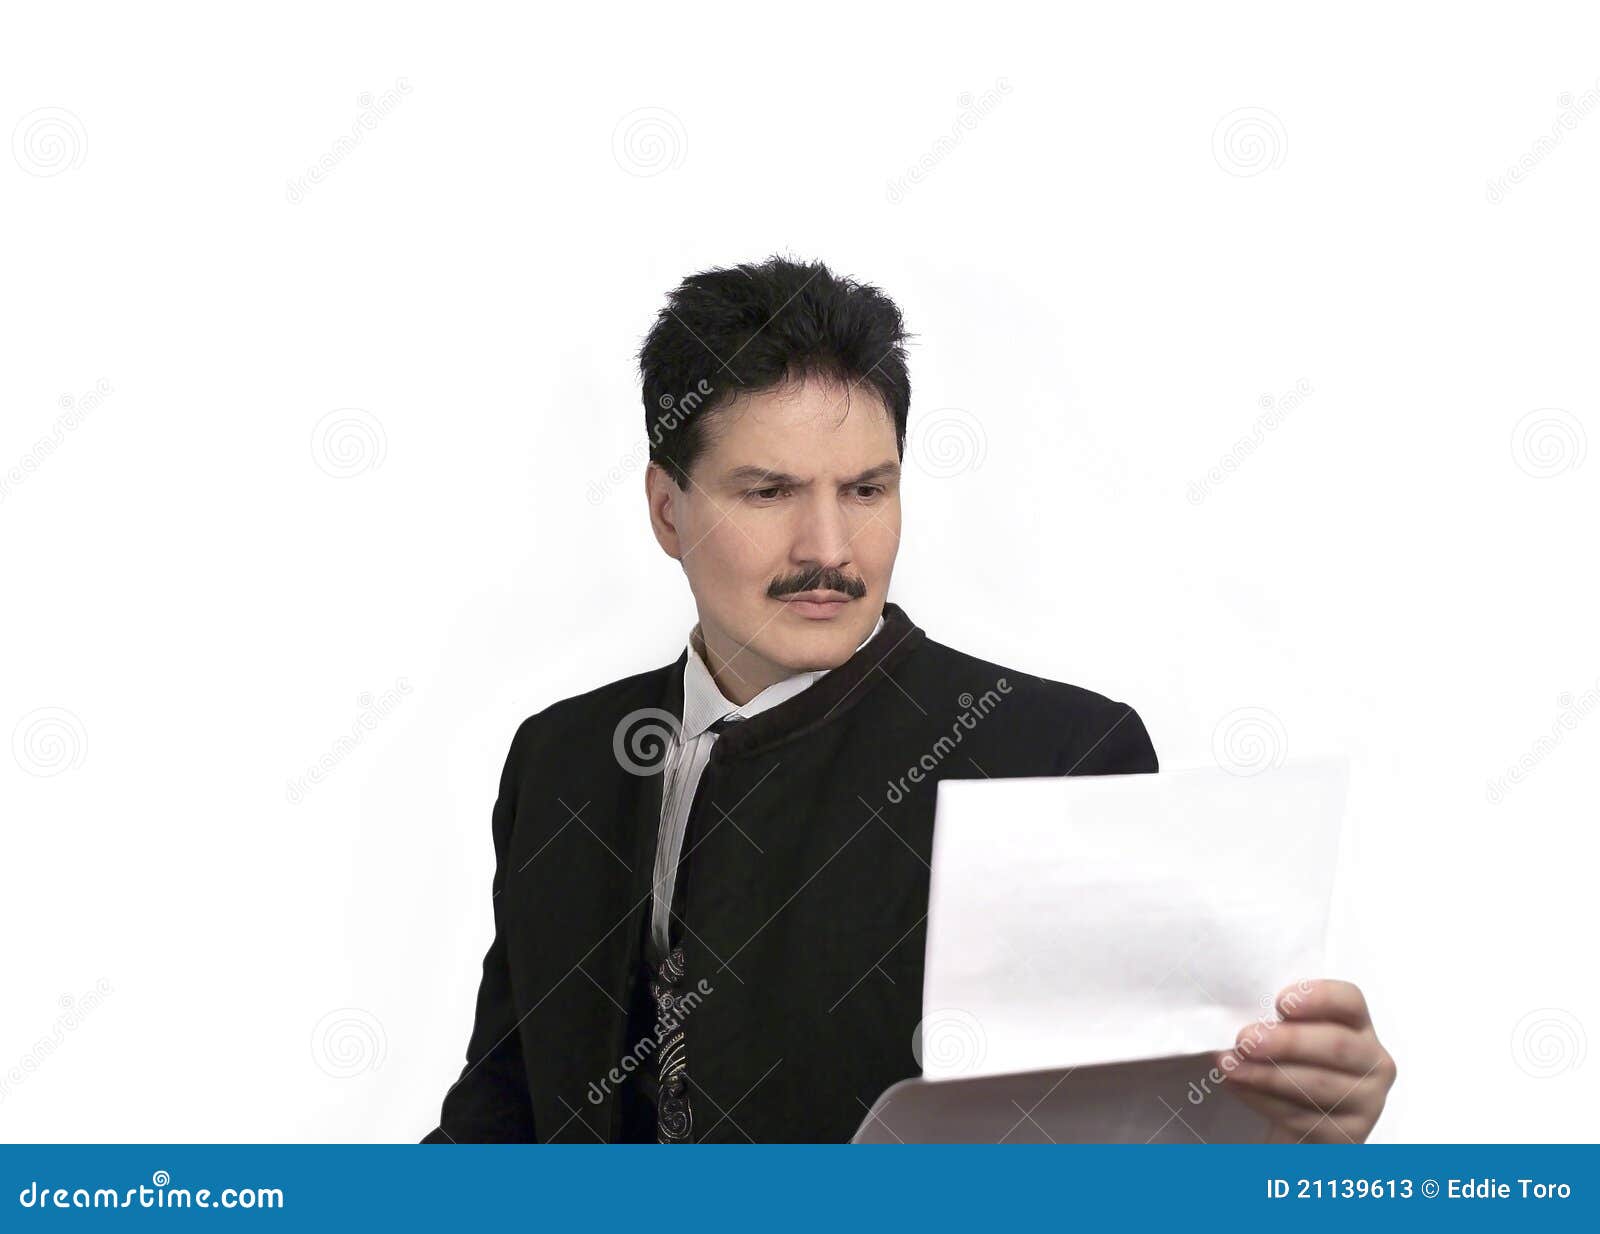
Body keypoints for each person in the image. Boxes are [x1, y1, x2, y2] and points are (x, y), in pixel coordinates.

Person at [421, 256, 1395, 1143]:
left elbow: (1128, 1143)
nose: (828, 550)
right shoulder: (562, 756)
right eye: (767, 492)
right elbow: (501, 1108)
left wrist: (1294, 1119)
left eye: (865, 490)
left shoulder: (1051, 750)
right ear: (667, 509)